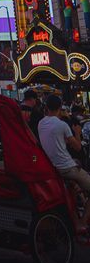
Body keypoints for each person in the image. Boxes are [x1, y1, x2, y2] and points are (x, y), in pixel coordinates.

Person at [38, 94, 90, 230]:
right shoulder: (62, 125)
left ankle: (76, 217)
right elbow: (77, 147)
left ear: (46, 107)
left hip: (53, 167)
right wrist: (77, 132)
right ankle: (82, 222)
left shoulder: (41, 123)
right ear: (60, 108)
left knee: (74, 184)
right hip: (66, 168)